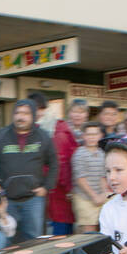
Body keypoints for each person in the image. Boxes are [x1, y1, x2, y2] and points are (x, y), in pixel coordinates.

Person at [0, 98, 57, 242]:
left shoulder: (43, 136)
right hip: (7, 199)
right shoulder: (2, 135)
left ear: (33, 116)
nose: (20, 116)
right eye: (18, 112)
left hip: (33, 200)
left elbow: (54, 163)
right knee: (9, 240)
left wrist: (47, 187)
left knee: (34, 241)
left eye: (25, 113)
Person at [47, 98, 85, 235]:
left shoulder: (86, 133)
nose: (78, 115)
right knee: (63, 233)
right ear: (69, 113)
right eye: (75, 111)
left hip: (80, 189)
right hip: (64, 190)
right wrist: (68, 188)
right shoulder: (63, 132)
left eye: (81, 112)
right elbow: (61, 162)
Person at [69, 122, 108, 231]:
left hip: (100, 195)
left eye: (95, 134)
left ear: (100, 136)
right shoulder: (79, 153)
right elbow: (80, 179)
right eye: (89, 134)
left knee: (105, 226)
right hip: (84, 197)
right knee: (89, 230)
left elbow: (103, 176)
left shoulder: (102, 153)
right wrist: (94, 196)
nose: (92, 137)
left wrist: (104, 194)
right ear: (83, 136)